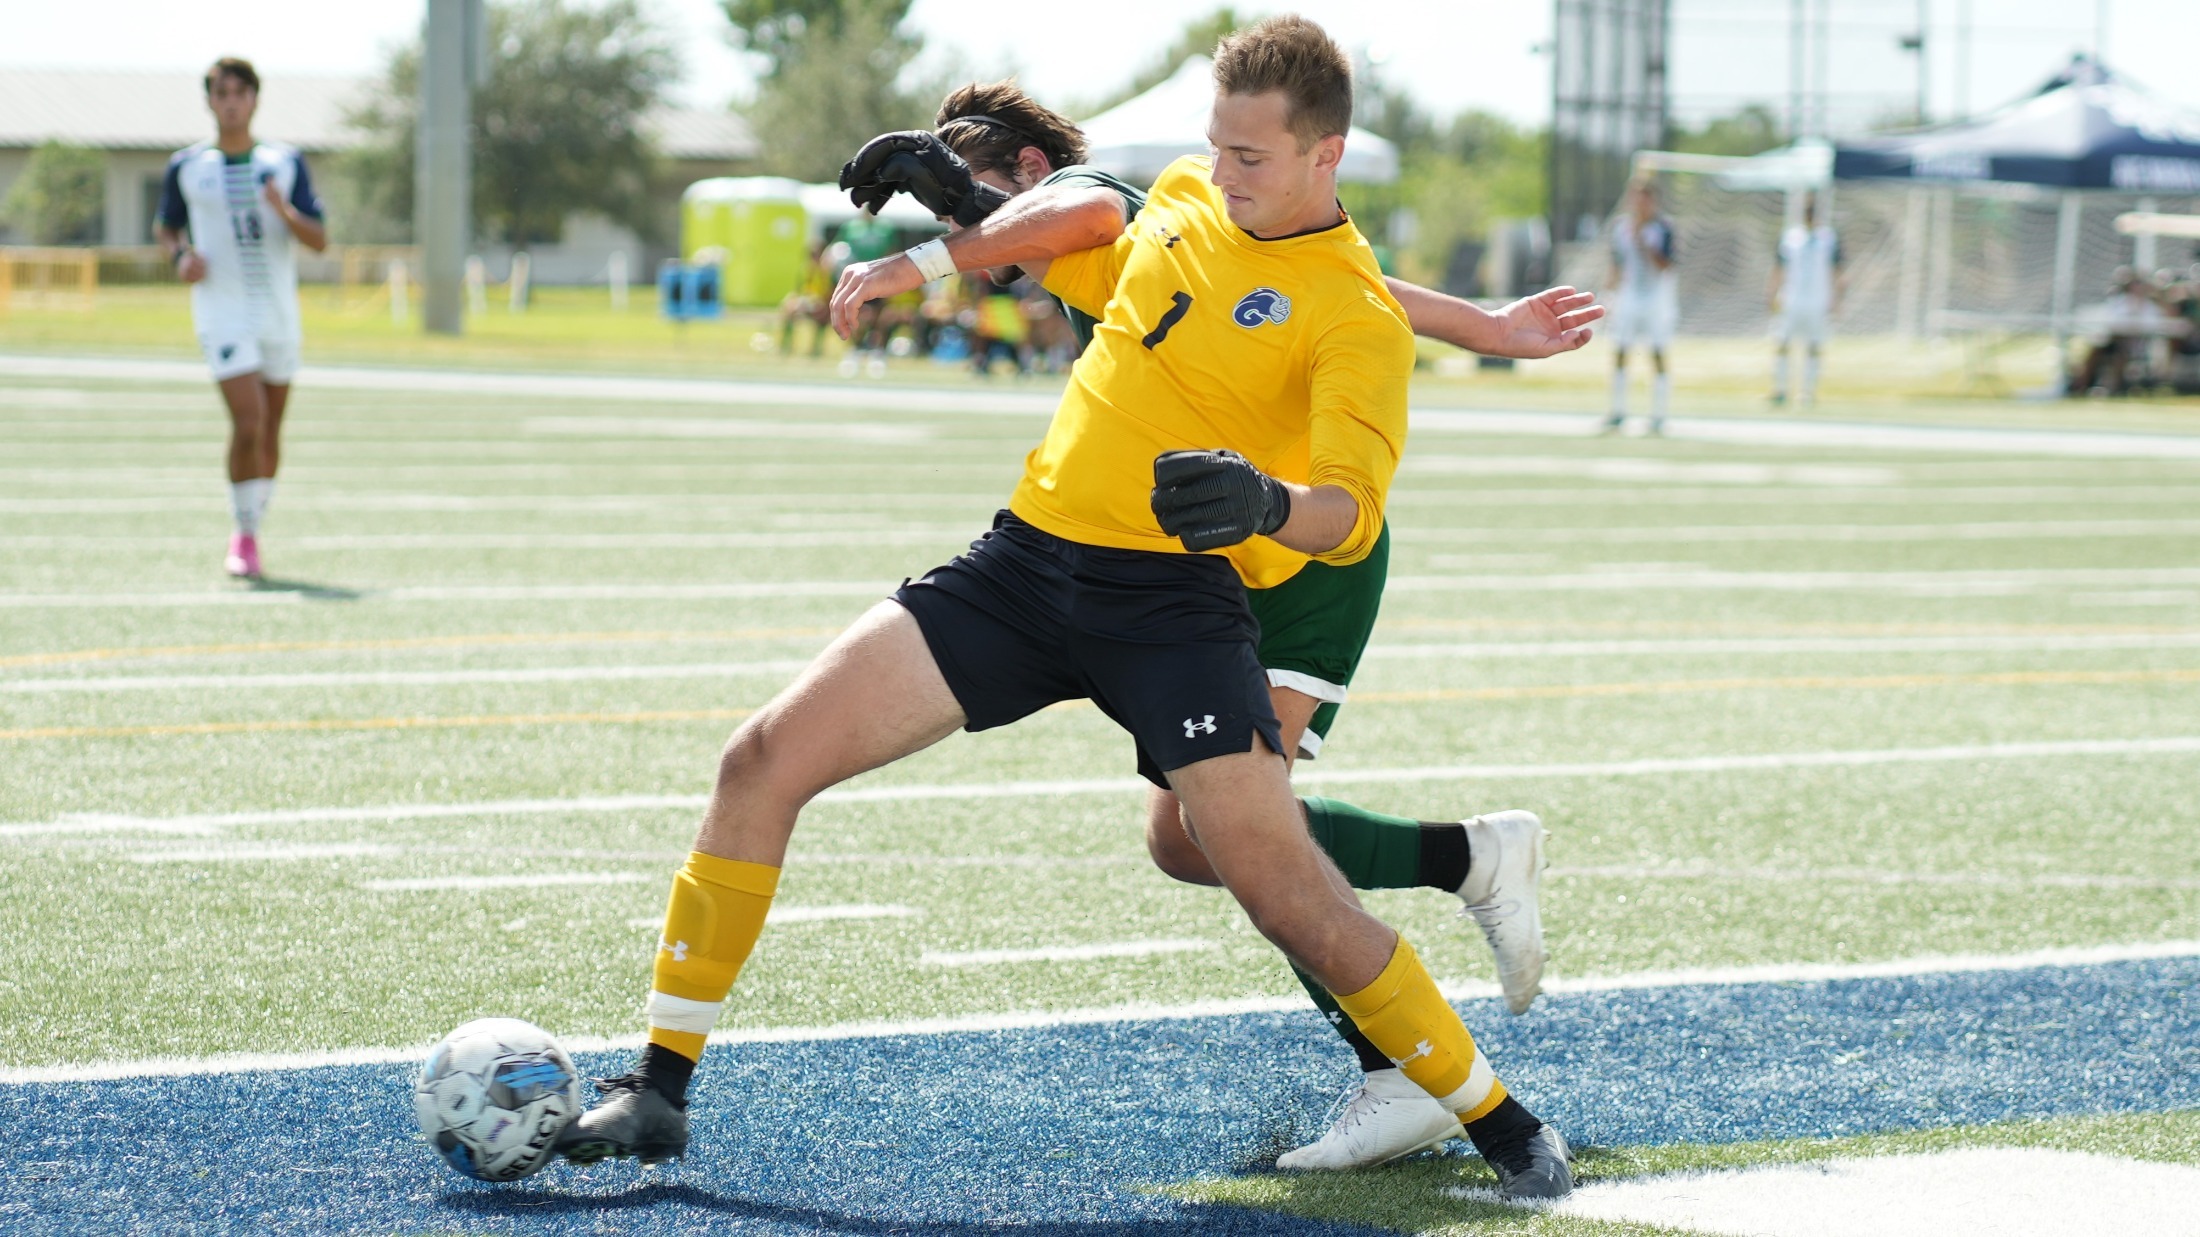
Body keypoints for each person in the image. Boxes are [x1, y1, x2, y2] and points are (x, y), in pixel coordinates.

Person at [559, 16, 1575, 1202]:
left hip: (1174, 606)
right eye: (1216, 146)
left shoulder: (1352, 314)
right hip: (1024, 565)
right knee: (761, 759)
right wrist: (936, 248)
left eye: (1252, 157)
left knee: (1276, 883)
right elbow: (1086, 232)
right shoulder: (1191, 196)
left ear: (1324, 156)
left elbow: (1343, 513)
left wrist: (1261, 497)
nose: (1221, 171)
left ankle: (1504, 1123)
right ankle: (659, 1090)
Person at [911, 78, 1599, 1171]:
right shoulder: (1116, 239)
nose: (966, 243)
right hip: (1200, 568)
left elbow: (1340, 285)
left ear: (1033, 181)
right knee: (1185, 838)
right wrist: (1491, 327)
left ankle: (1403, 1072)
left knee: (1238, 833)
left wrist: (1491, 331)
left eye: (975, 212)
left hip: (1299, 556)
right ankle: (1468, 858)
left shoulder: (1117, 205)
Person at [154, 57, 327, 580]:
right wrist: (180, 257)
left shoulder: (285, 162)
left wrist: (284, 209)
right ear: (209, 101)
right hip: (221, 311)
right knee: (247, 421)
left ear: (255, 99)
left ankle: (253, 524)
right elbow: (166, 226)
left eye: (239, 92)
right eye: (221, 92)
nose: (230, 101)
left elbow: (320, 240)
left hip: (277, 312)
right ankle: (242, 534)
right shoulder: (186, 166)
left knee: (272, 428)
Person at [1602, 178, 1676, 435]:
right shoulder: (1621, 228)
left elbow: (1667, 265)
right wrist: (1608, 295)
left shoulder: (1663, 228)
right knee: (1620, 350)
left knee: (1657, 352)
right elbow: (1616, 264)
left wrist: (1645, 245)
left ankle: (1658, 413)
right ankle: (1618, 410)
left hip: (1656, 297)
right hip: (1630, 295)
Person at [1768, 194, 1843, 408]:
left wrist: (1836, 300)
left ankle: (1808, 392)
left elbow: (1837, 270)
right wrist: (1772, 294)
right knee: (1782, 343)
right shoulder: (1791, 238)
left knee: (1814, 346)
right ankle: (1780, 389)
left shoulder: (1828, 239)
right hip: (1792, 298)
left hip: (1818, 300)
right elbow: (1778, 268)